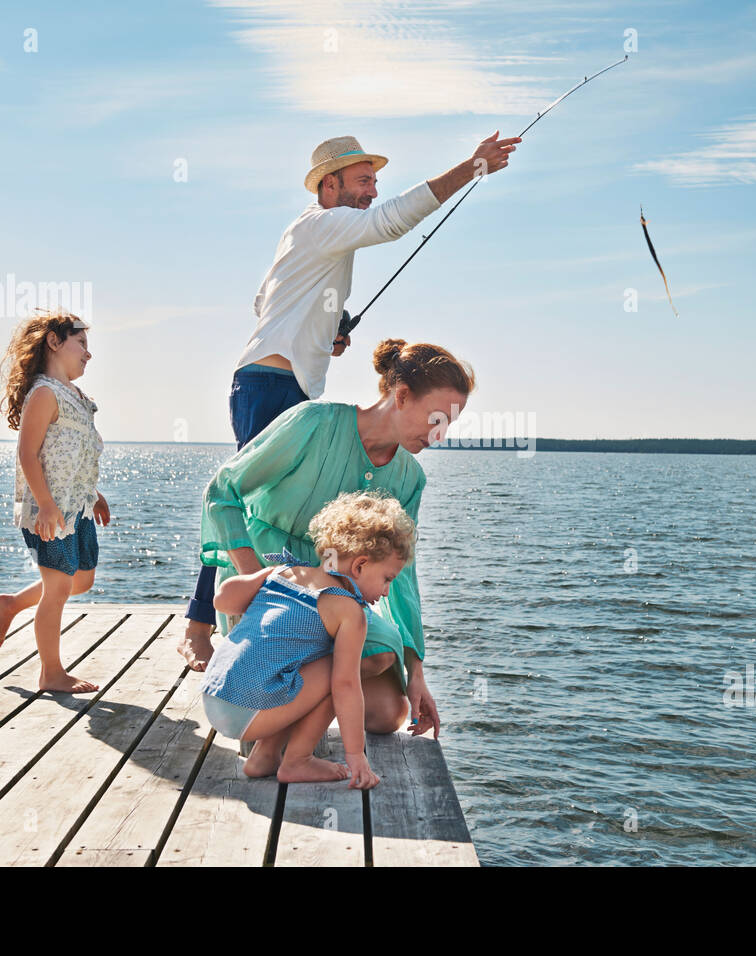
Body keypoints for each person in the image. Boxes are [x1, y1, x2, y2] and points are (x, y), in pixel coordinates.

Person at [178, 130, 521, 672]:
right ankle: (207, 622)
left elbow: (263, 299)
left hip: (273, 379)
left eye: (374, 181)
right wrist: (471, 168)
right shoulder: (322, 225)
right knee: (241, 497)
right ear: (328, 186)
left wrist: (323, 331)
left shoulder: (313, 239)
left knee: (250, 497)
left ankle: (229, 616)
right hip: (272, 384)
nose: (372, 191)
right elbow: (393, 221)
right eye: (363, 181)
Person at [199, 338, 475, 737]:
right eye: (436, 420)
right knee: (360, 662)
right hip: (266, 579)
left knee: (386, 714)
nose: (440, 436)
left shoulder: (409, 478)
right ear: (401, 396)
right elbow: (223, 492)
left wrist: (416, 671)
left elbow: (401, 577)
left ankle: (291, 708)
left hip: (335, 602)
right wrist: (258, 585)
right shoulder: (314, 422)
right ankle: (277, 731)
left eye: (449, 424)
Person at [202, 491, 416, 787]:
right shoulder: (348, 611)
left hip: (214, 694)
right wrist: (356, 756)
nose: (387, 591)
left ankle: (265, 756)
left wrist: (269, 574)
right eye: (387, 579)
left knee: (294, 667)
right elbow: (346, 686)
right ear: (359, 566)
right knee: (335, 671)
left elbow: (222, 600)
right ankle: (297, 760)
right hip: (246, 709)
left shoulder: (286, 572)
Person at [0, 311, 111, 693]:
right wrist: (44, 504)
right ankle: (51, 673)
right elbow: (28, 454)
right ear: (54, 342)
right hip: (51, 510)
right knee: (57, 588)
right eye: (82, 344)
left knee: (82, 580)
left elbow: (77, 455)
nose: (88, 355)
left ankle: (11, 604)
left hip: (76, 507)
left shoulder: (76, 397)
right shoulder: (44, 393)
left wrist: (95, 494)